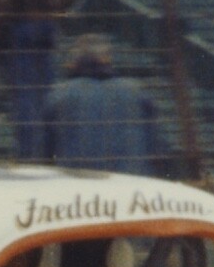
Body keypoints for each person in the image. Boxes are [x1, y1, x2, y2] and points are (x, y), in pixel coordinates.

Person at [0, 0, 79, 162]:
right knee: (47, 90)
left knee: (24, 94)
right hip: (50, 22)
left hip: (22, 23)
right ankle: (50, 152)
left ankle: (28, 156)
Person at [43, 33, 163, 176]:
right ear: (107, 60)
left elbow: (45, 151)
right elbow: (156, 148)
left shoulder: (58, 95)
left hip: (79, 189)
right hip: (132, 186)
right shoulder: (137, 92)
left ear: (74, 62)